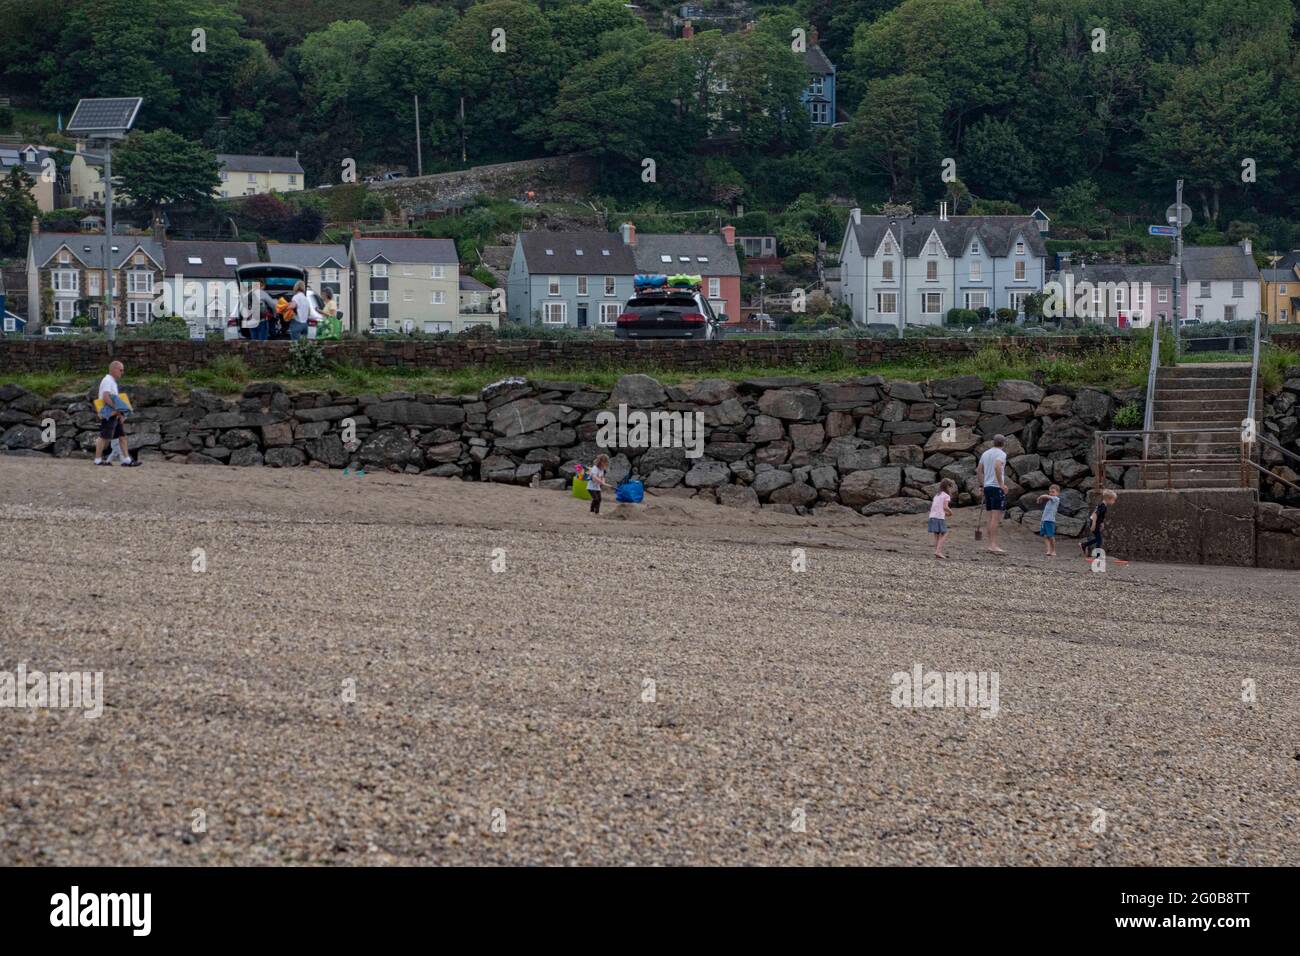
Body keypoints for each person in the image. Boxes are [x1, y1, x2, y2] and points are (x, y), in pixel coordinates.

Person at [93, 360, 140, 467]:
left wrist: (119, 413)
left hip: (114, 413)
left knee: (122, 436)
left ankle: (127, 460)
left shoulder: (111, 381)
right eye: (121, 370)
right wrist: (118, 409)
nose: (122, 372)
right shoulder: (107, 381)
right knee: (104, 436)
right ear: (114, 369)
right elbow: (106, 397)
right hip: (109, 413)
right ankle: (97, 459)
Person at [976, 434, 1009, 554]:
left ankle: (989, 544)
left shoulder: (985, 453)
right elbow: (997, 466)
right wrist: (1001, 484)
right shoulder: (1001, 454)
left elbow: (979, 470)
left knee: (989, 517)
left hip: (988, 487)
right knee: (996, 518)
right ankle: (993, 545)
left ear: (993, 442)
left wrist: (982, 485)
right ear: (1003, 443)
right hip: (996, 488)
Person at [1081, 489, 1117, 557]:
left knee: (1098, 539)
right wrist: (1094, 524)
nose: (1114, 501)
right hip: (1094, 522)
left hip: (1097, 522)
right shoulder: (1102, 506)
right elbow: (1095, 514)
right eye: (1113, 500)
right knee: (1099, 540)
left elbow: (1101, 516)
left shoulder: (1103, 505)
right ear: (1108, 499)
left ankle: (1084, 545)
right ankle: (1097, 555)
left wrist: (1102, 523)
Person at [928, 478, 955, 559]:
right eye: (951, 487)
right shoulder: (946, 496)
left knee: (936, 535)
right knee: (944, 533)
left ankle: (937, 551)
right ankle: (938, 551)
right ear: (948, 487)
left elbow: (937, 507)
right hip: (939, 518)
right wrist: (951, 512)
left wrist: (945, 513)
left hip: (932, 516)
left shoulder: (937, 495)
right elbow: (945, 507)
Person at [1036, 484, 1061, 557]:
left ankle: (1053, 550)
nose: (1051, 493)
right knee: (1045, 536)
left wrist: (1041, 497)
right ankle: (1048, 550)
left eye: (1053, 492)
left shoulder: (1056, 499)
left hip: (1050, 521)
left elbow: (1047, 496)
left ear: (1057, 493)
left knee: (1051, 536)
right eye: (1050, 492)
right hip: (1044, 520)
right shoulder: (1049, 501)